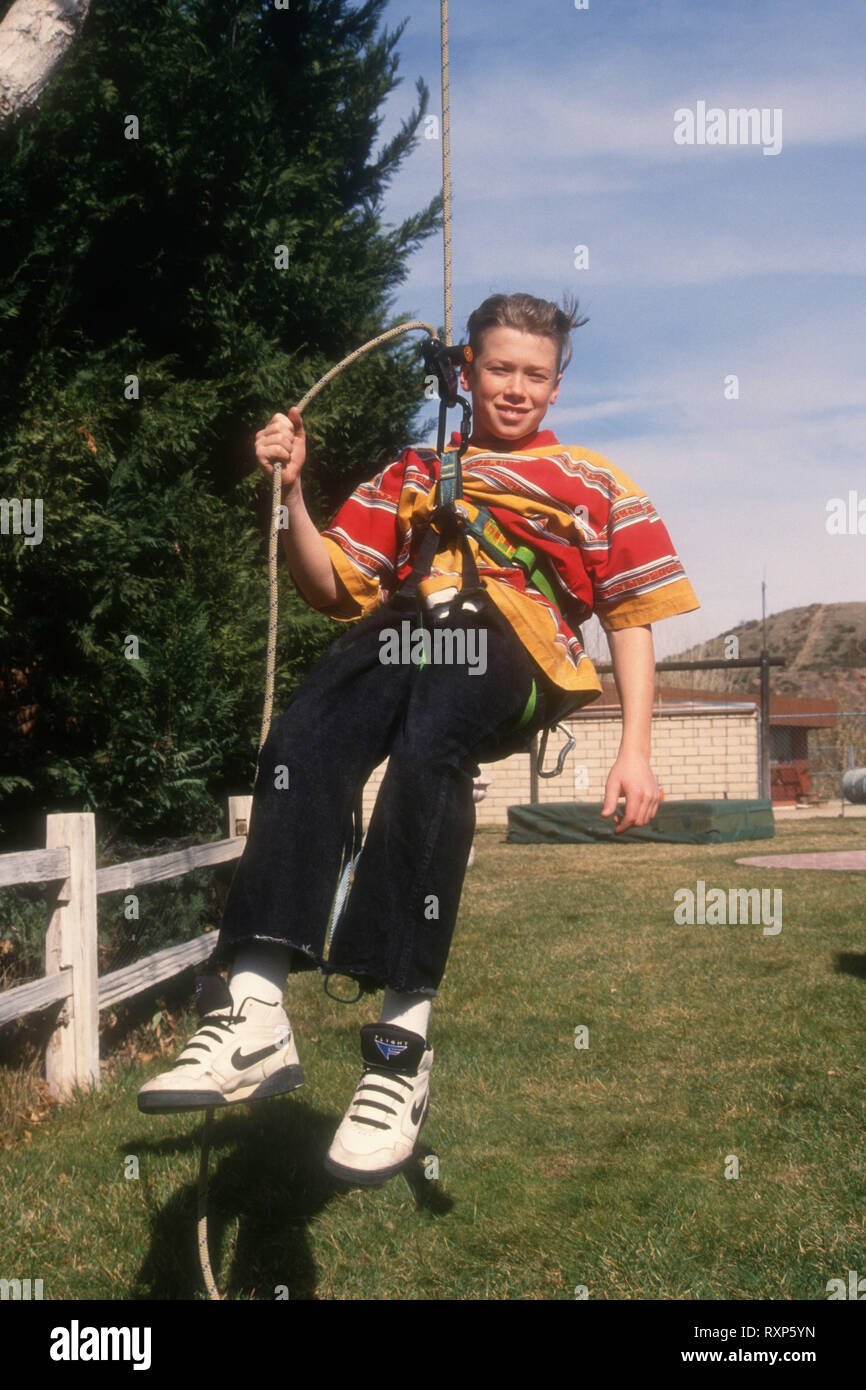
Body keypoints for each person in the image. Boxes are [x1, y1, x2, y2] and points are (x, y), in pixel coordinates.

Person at [138, 292, 699, 1186]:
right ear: (466, 369)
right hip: (405, 628)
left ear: (557, 385)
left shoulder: (595, 483)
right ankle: (253, 1007)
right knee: (304, 740)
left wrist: (636, 747)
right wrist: (293, 495)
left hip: (510, 644)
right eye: (499, 368)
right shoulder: (413, 470)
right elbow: (331, 585)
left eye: (535, 375)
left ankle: (400, 1054)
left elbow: (632, 617)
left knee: (431, 743)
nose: (516, 389)